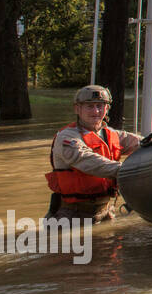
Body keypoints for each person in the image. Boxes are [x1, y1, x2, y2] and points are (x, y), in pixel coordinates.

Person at [45, 85, 142, 222]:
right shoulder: (67, 138)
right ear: (77, 109)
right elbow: (89, 161)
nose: (96, 111)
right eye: (89, 106)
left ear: (107, 108)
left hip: (105, 211)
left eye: (100, 106)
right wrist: (129, 169)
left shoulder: (111, 134)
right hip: (71, 215)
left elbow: (143, 143)